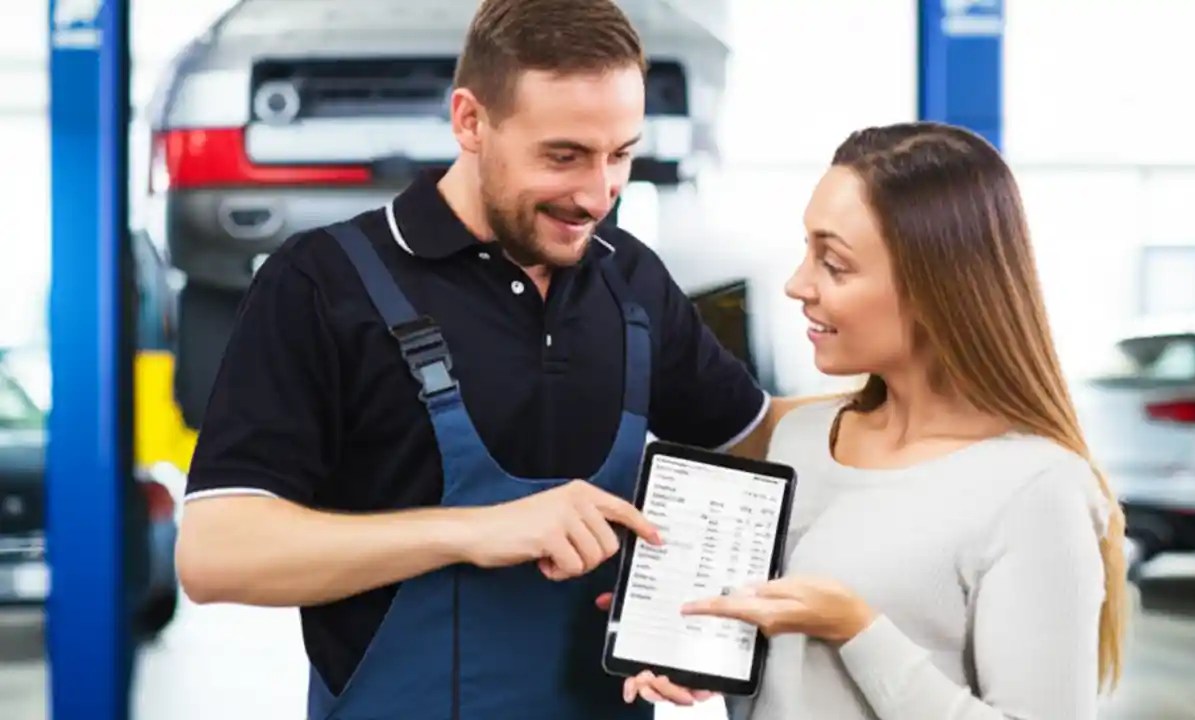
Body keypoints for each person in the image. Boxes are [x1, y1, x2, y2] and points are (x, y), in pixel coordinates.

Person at [173, 1, 822, 718]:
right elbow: (216, 554)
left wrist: (928, 386)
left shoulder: (631, 281)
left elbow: (759, 436)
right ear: (470, 121)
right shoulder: (323, 283)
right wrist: (477, 530)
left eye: (622, 154)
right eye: (564, 155)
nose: (597, 194)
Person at [614, 122, 1130, 719]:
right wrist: (704, 644)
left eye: (834, 264)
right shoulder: (802, 441)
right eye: (807, 251)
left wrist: (855, 627)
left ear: (937, 288)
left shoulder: (1037, 489)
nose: (796, 284)